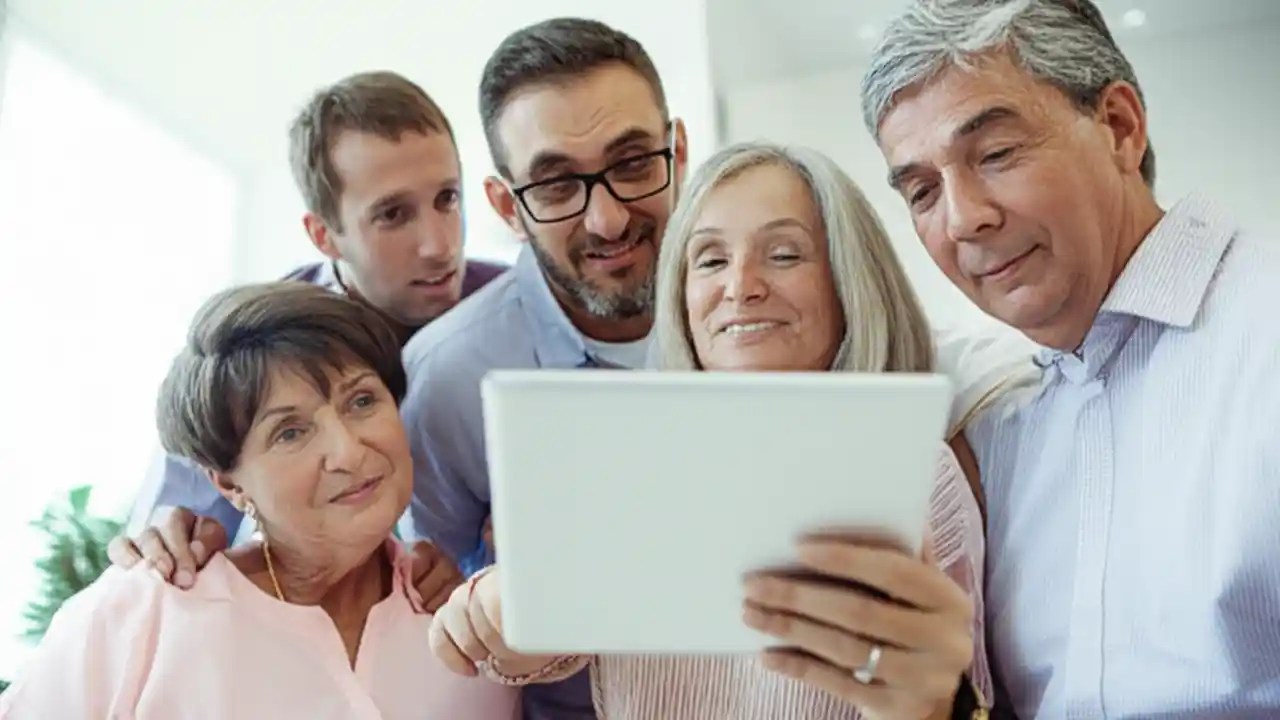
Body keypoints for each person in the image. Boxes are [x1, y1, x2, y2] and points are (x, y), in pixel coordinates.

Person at [111, 18, 1034, 720]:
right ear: (509, 204)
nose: (603, 220)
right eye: (556, 184)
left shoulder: (917, 458)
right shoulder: (447, 373)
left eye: (632, 163)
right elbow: (419, 581)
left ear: (675, 149)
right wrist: (180, 527)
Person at [428, 142, 998, 720]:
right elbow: (544, 638)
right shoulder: (629, 463)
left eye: (782, 254)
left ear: (847, 280)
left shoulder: (916, 474)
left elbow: (957, 699)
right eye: (710, 259)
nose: (741, 285)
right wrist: (493, 608)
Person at [860, 1, 1280, 717]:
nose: (962, 219)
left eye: (995, 154)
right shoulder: (999, 427)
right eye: (923, 191)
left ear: (1119, 127)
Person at [0, 282, 518, 719]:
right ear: (229, 484)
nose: (347, 451)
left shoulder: (467, 631)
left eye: (362, 401)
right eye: (290, 433)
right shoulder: (143, 613)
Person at [112, 71, 505, 590]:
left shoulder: (511, 316)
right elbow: (171, 530)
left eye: (447, 199)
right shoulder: (247, 355)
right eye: (393, 215)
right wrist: (163, 535)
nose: (438, 244)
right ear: (324, 236)